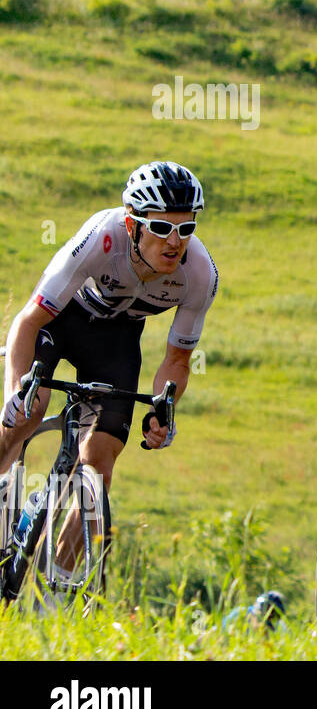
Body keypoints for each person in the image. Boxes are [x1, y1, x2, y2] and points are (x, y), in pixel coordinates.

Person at [1, 161, 216, 495]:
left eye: (185, 229)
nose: (175, 242)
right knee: (28, 413)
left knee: (99, 464)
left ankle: (85, 548)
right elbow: (29, 320)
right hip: (61, 322)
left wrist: (162, 411)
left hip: (116, 341)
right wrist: (15, 388)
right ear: (132, 224)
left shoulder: (200, 274)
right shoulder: (101, 236)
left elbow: (177, 362)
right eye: (161, 227)